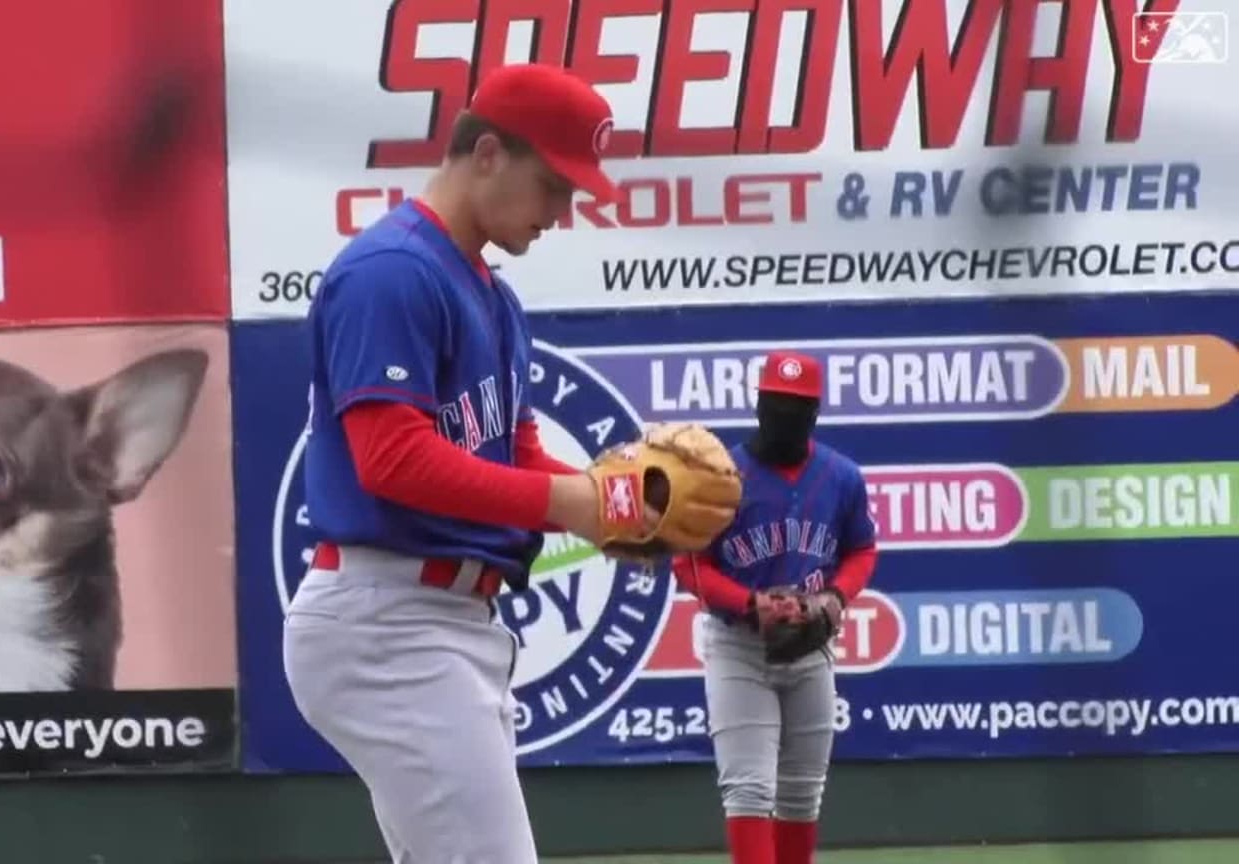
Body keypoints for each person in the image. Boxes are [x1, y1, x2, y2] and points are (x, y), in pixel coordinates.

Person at [281, 63, 650, 863]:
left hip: (443, 620)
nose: (563, 210)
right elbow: (394, 462)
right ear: (487, 154)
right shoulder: (392, 272)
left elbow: (514, 452)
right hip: (388, 618)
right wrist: (572, 503)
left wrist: (607, 505)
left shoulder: (492, 295)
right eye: (553, 185)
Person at [672, 351, 880, 864]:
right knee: (747, 790)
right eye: (776, 403)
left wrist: (834, 599)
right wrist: (748, 603)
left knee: (802, 794)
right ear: (759, 404)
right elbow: (687, 563)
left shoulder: (841, 476)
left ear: (815, 412)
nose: (785, 415)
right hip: (738, 646)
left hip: (812, 645)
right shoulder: (722, 478)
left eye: (798, 406)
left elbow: (862, 549)